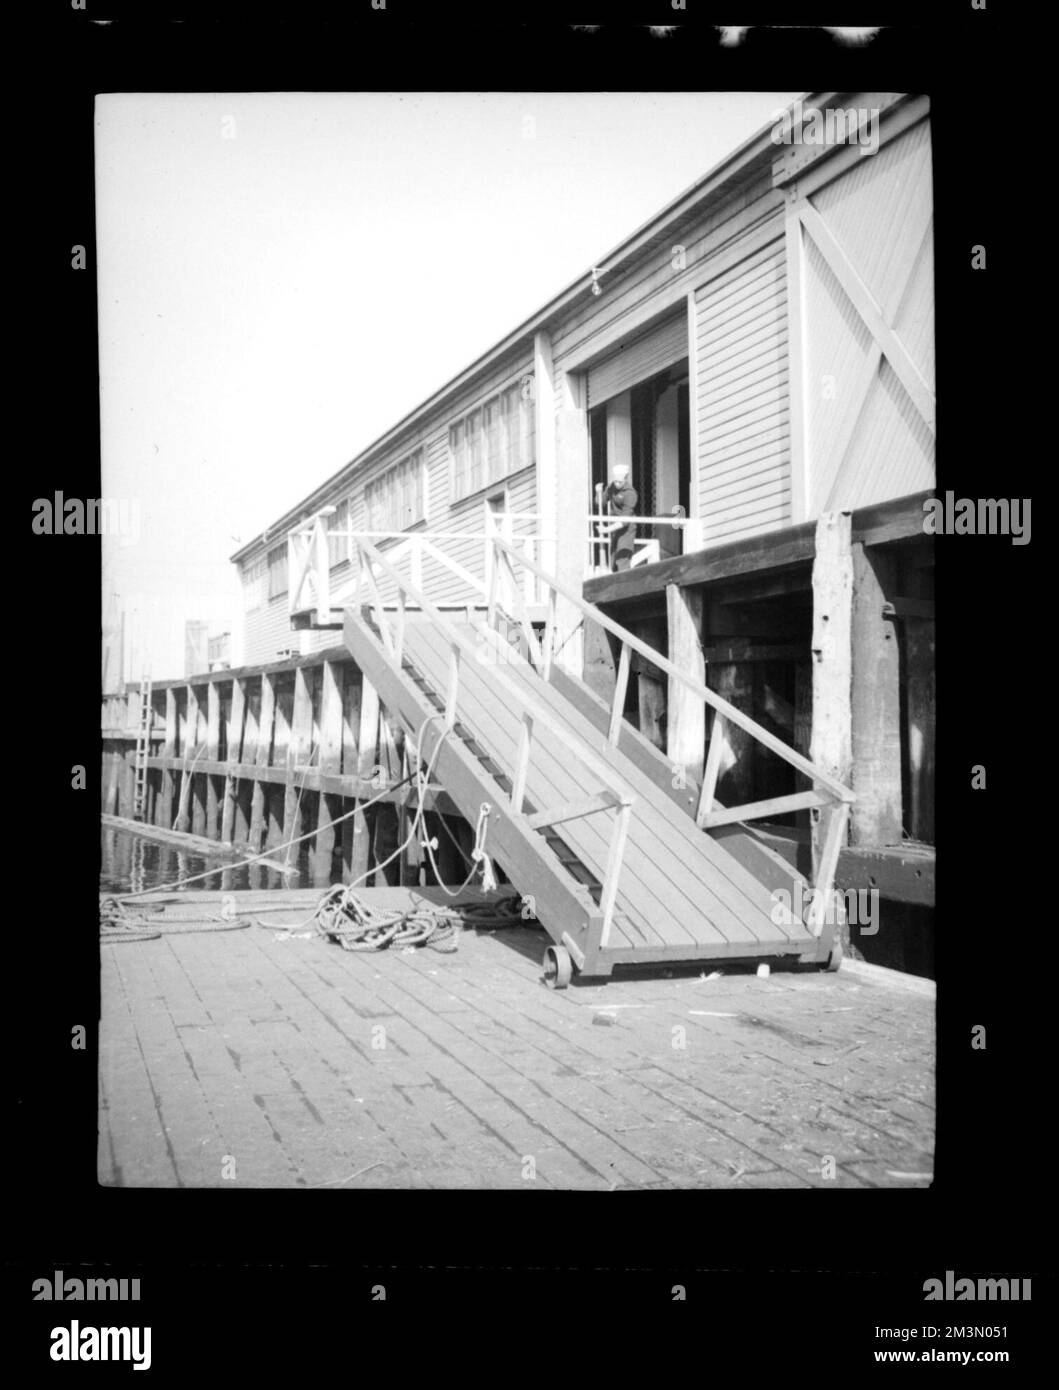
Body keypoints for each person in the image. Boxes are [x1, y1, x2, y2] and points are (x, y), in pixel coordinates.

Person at [601, 465, 639, 571]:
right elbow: (600, 502)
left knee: (622, 559)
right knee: (613, 559)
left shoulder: (631, 494)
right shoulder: (611, 487)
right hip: (615, 528)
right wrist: (599, 492)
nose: (617, 484)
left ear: (626, 479)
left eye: (620, 482)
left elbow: (624, 521)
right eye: (615, 481)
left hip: (626, 530)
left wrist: (606, 529)